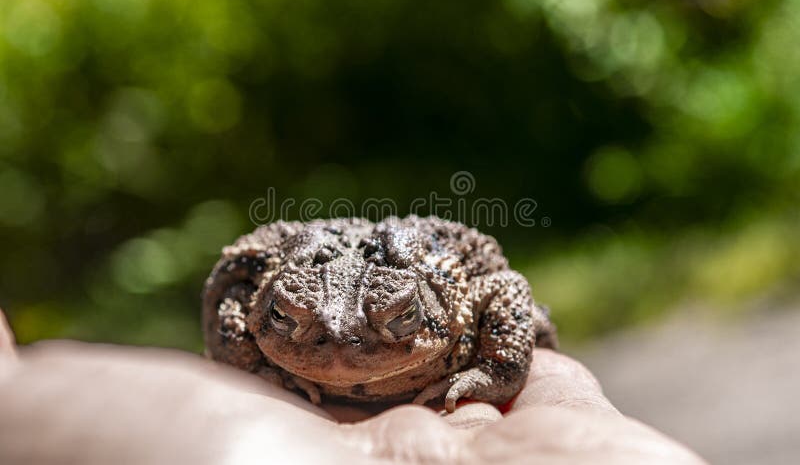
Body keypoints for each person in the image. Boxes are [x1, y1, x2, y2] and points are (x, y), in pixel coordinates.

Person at [0, 309, 705, 464]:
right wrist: (262, 362)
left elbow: (508, 291)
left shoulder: (452, 290)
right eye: (297, 324)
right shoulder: (262, 295)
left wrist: (494, 370)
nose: (341, 354)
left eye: (388, 327)